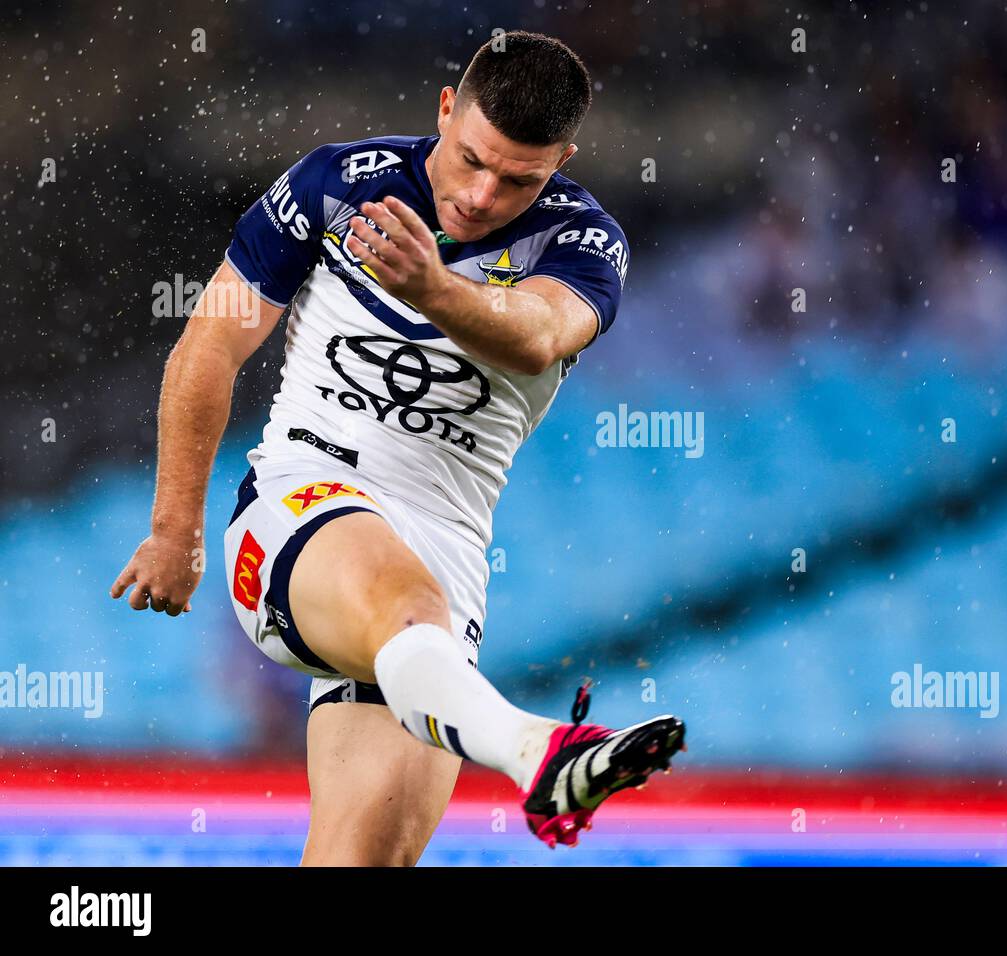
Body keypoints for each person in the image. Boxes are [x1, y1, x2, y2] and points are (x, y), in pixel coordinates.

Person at [110, 31, 685, 864]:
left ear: (563, 159)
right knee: (405, 602)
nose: (483, 195)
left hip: (444, 563)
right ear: (446, 109)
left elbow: (536, 334)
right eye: (472, 159)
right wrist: (174, 530)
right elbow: (208, 348)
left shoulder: (585, 243)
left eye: (519, 178)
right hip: (306, 501)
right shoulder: (337, 184)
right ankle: (540, 753)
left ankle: (513, 734)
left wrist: (433, 287)